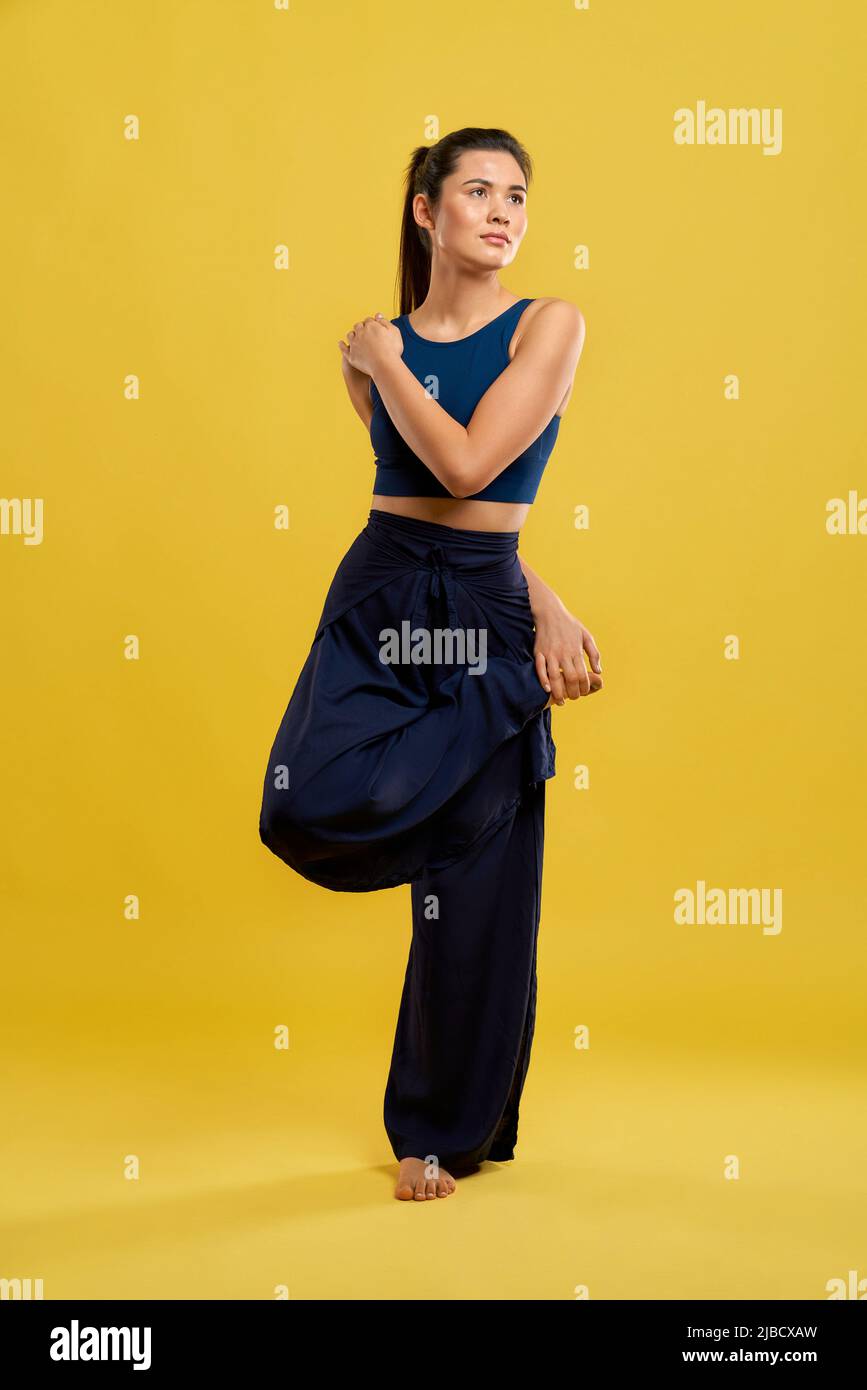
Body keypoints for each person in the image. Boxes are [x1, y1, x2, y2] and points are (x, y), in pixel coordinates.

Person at [258, 126, 603, 1203]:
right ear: (427, 210)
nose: (502, 212)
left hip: (478, 599)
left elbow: (467, 467)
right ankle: (509, 699)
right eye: (477, 191)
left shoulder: (548, 325)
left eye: (517, 196)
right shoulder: (382, 345)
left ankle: (435, 1133)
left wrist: (381, 362)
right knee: (302, 796)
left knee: (476, 875)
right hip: (381, 590)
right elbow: (426, 497)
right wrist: (541, 601)